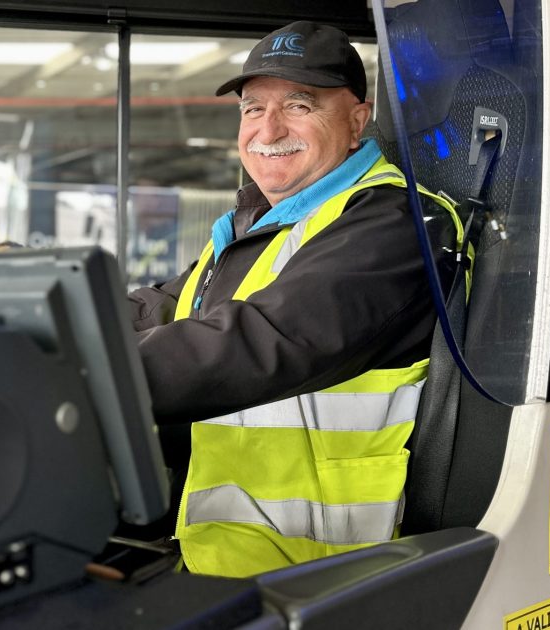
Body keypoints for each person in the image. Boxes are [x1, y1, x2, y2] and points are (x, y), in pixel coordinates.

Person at [128, 22, 462, 578]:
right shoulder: (260, 225)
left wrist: (85, 378)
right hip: (224, 549)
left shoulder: (395, 224)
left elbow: (264, 339)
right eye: (252, 108)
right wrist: (38, 327)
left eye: (300, 105)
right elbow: (167, 305)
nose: (268, 128)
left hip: (322, 571)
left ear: (358, 122)